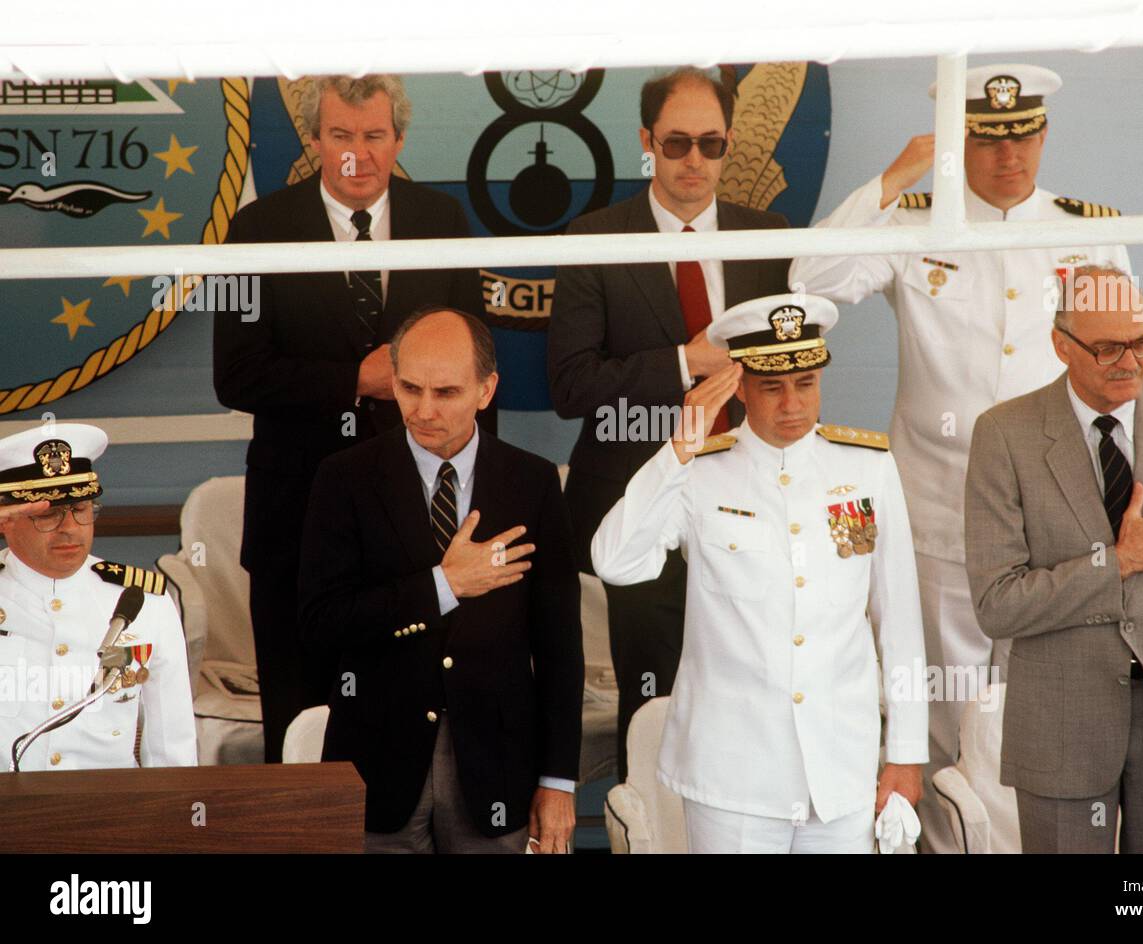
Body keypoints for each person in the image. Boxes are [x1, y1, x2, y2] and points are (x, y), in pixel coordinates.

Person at [788, 63, 1132, 852]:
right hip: (937, 521)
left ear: (1042, 135)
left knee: (1045, 719)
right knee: (939, 722)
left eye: (1021, 137)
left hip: (1054, 527)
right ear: (956, 143)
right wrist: (901, 172)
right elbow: (813, 280)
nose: (1006, 157)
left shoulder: (1086, 232)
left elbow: (1120, 374)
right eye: (982, 139)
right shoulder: (915, 223)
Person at [212, 74, 490, 763]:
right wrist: (353, 381)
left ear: (399, 139)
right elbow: (237, 374)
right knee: (303, 727)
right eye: (339, 137)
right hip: (295, 523)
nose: (355, 156)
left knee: (412, 727)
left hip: (418, 521)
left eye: (372, 137)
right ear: (314, 140)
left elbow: (479, 373)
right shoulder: (256, 230)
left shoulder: (444, 223)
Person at [592, 293, 928, 853]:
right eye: (772, 387)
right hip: (734, 775)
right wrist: (678, 447)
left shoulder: (866, 467)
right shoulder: (699, 472)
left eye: (807, 383)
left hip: (840, 766)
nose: (793, 404)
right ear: (739, 385)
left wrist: (907, 753)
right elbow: (615, 561)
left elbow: (899, 619)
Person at [963, 266, 1143, 852]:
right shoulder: (1004, 434)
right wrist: (1118, 562)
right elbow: (997, 605)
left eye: (1142, 342)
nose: (1130, 361)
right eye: (1106, 348)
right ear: (1060, 346)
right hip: (1060, 728)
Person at [549, 66, 790, 779]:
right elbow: (570, 385)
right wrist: (686, 359)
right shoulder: (594, 238)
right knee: (651, 697)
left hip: (748, 502)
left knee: (748, 685)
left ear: (729, 145)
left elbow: (788, 375)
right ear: (646, 142)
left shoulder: (766, 236)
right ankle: (646, 828)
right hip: (636, 501)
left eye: (710, 144)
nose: (693, 160)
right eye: (676, 142)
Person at [299, 307, 583, 853]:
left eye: (446, 392)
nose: (423, 410)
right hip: (375, 767)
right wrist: (444, 585)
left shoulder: (534, 482)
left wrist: (556, 782)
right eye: (409, 388)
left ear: (486, 389)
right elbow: (320, 626)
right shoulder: (344, 479)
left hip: (497, 769)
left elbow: (559, 648)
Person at [0, 423, 196, 772]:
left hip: (108, 812)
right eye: (48, 514)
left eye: (81, 508)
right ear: (6, 521)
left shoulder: (144, 601)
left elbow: (172, 752)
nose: (70, 528)